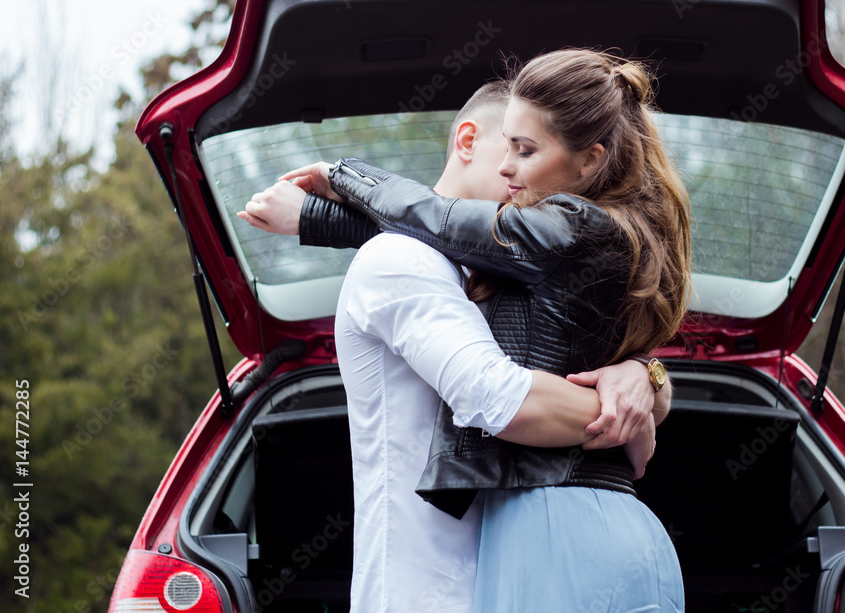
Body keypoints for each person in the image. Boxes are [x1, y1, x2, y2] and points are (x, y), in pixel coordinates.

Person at [239, 79, 667, 611]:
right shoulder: (403, 261)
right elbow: (500, 397)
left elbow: (582, 330)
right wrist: (633, 411)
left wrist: (645, 373)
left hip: (520, 574)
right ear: (468, 140)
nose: (514, 168)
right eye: (508, 146)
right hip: (427, 590)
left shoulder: (507, 271)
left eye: (526, 149)